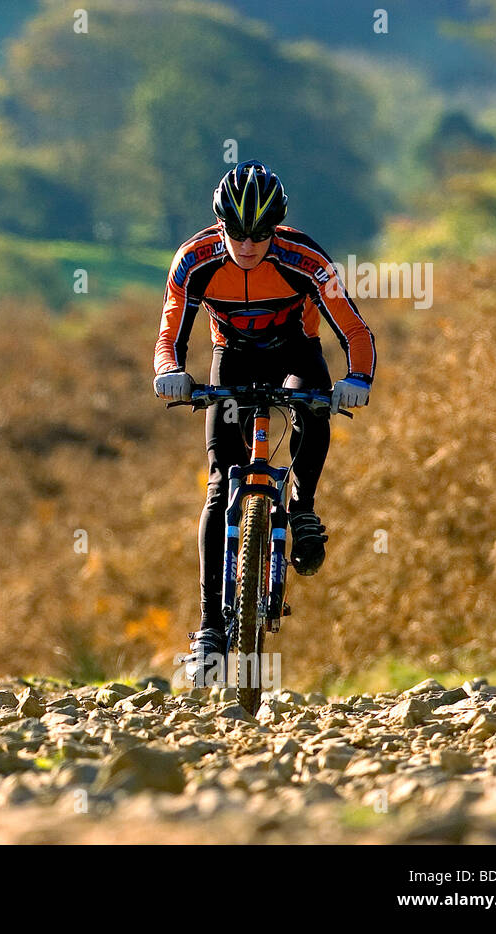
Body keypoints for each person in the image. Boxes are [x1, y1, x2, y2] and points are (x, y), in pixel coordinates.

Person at [152, 160, 375, 685]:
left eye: (260, 235)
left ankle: (301, 508)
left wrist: (358, 379)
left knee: (314, 405)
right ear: (219, 225)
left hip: (296, 351)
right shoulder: (193, 261)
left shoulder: (305, 260)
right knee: (217, 488)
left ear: (277, 229)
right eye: (235, 233)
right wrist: (169, 371)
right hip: (231, 355)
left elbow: (356, 331)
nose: (247, 246)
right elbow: (171, 332)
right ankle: (209, 628)